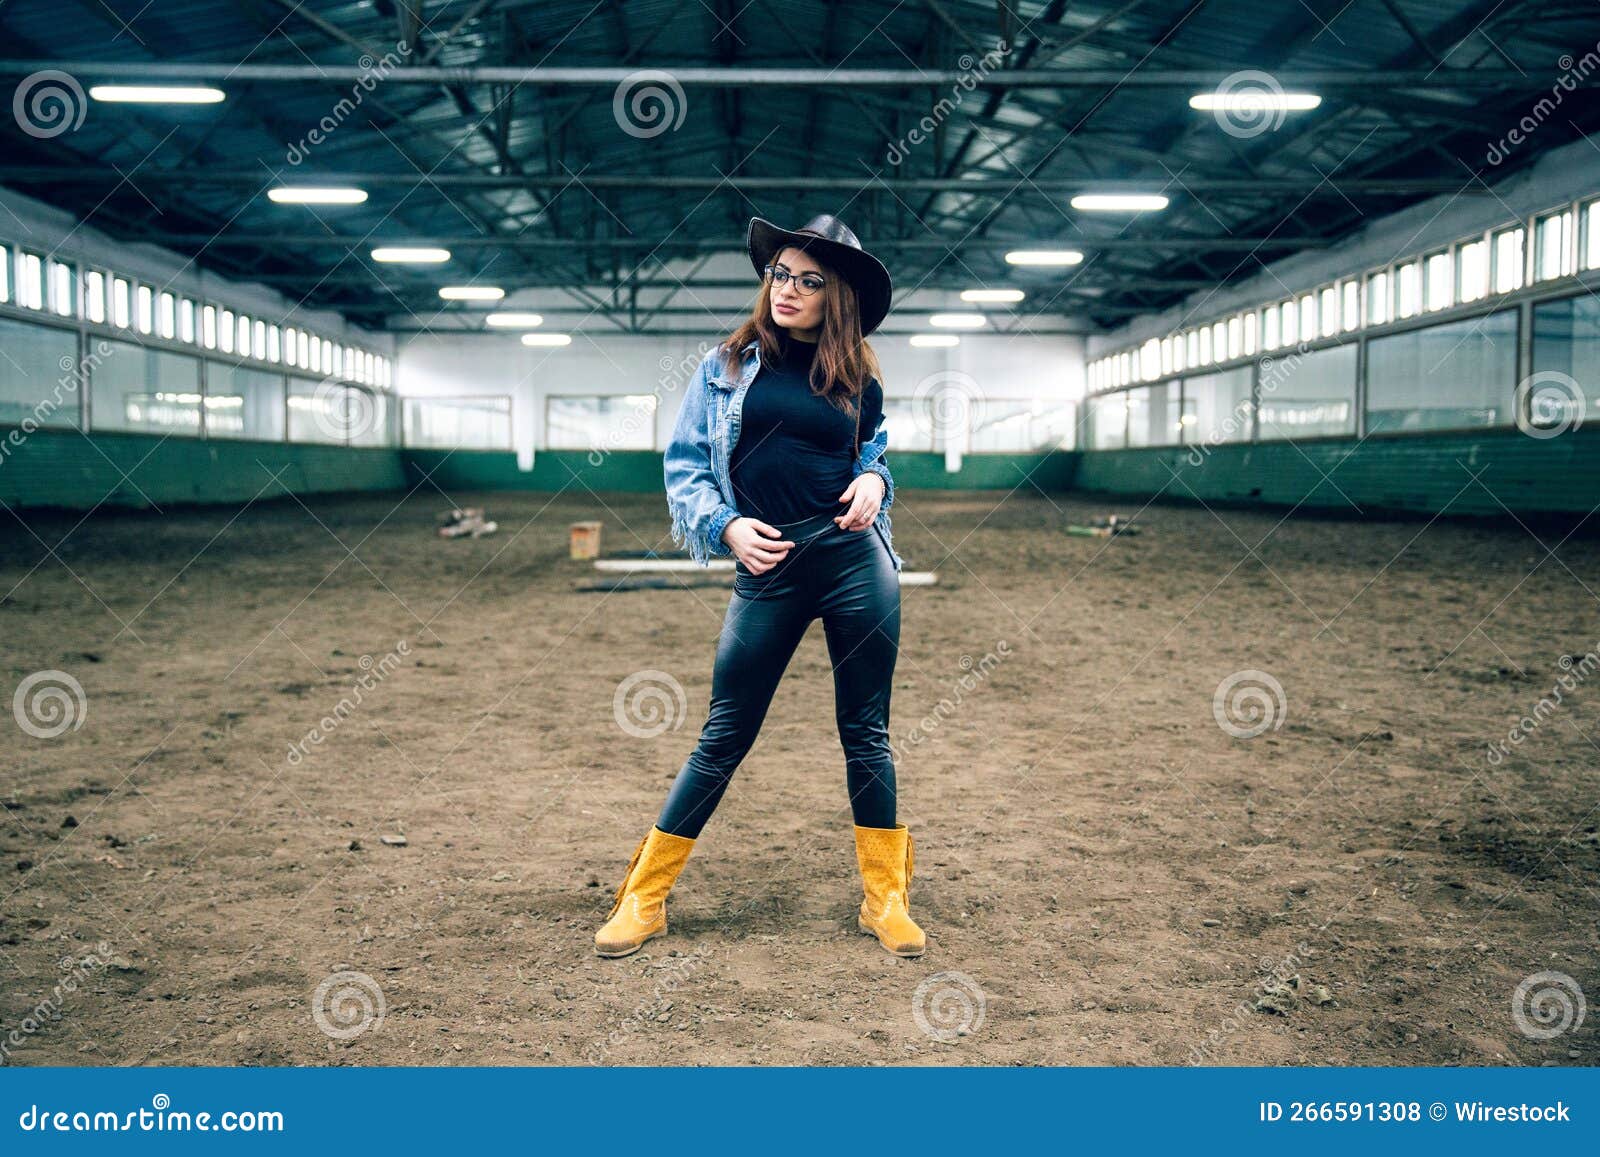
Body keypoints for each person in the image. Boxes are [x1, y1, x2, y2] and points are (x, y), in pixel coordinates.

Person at [594, 213, 924, 960]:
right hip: (766, 567)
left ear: (834, 294)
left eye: (809, 280)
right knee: (723, 734)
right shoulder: (726, 366)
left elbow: (874, 458)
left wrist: (875, 478)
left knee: (865, 732)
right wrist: (725, 528)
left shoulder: (859, 377)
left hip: (852, 563)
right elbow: (685, 468)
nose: (788, 289)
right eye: (780, 273)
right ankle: (643, 897)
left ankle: (886, 898)